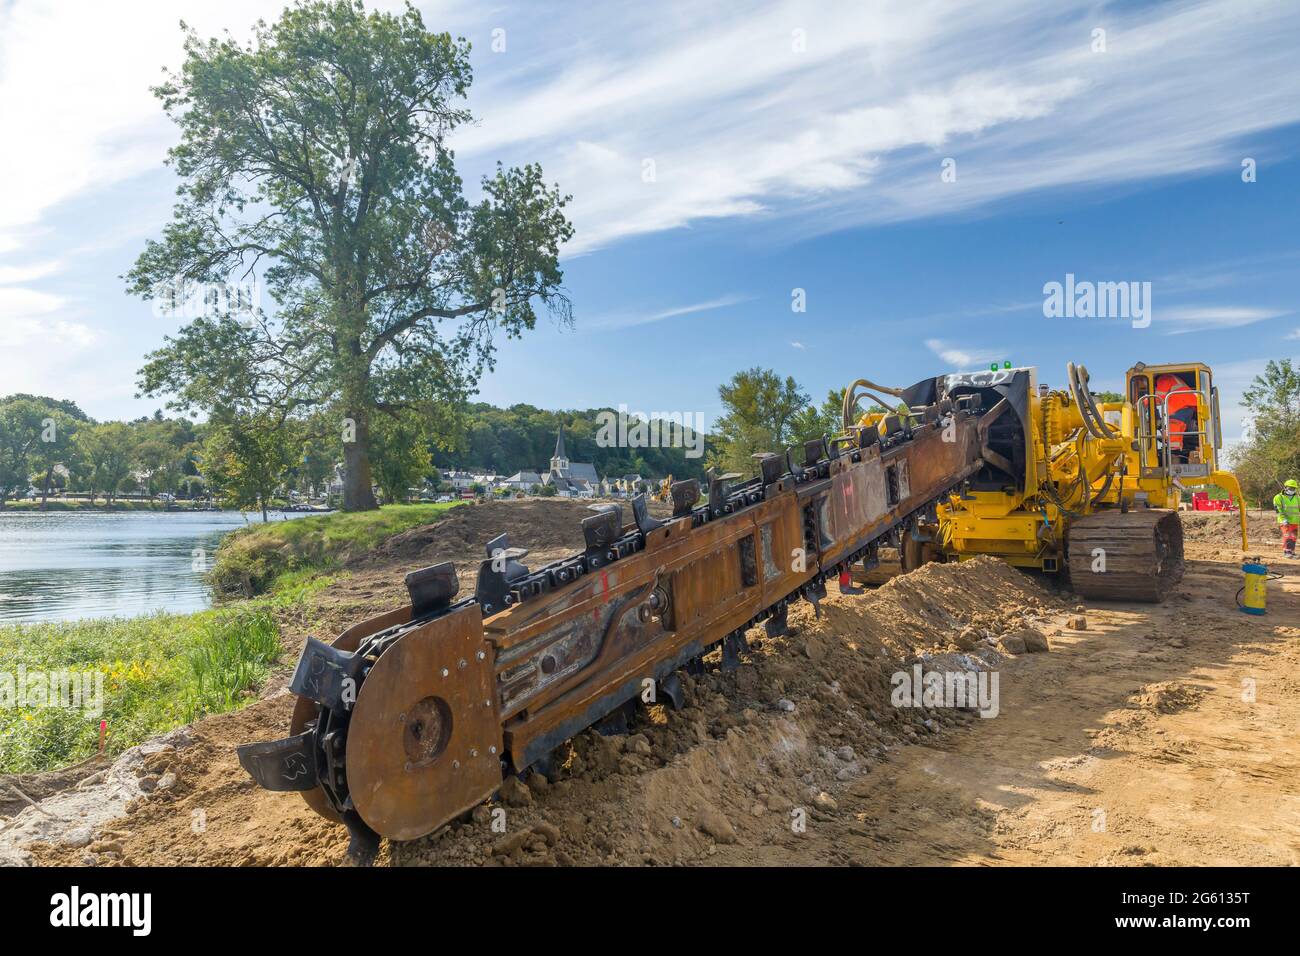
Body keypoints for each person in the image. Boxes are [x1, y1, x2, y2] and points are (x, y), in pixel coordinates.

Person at [1274, 479, 1299, 559]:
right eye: (1290, 488)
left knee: (1294, 536)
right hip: (1284, 521)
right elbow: (1278, 509)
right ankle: (1286, 552)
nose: (1292, 490)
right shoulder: (1279, 497)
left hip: (1295, 521)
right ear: (1285, 487)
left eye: (1294, 488)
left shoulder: (1298, 498)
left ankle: (1292, 551)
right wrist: (1283, 519)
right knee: (1287, 535)